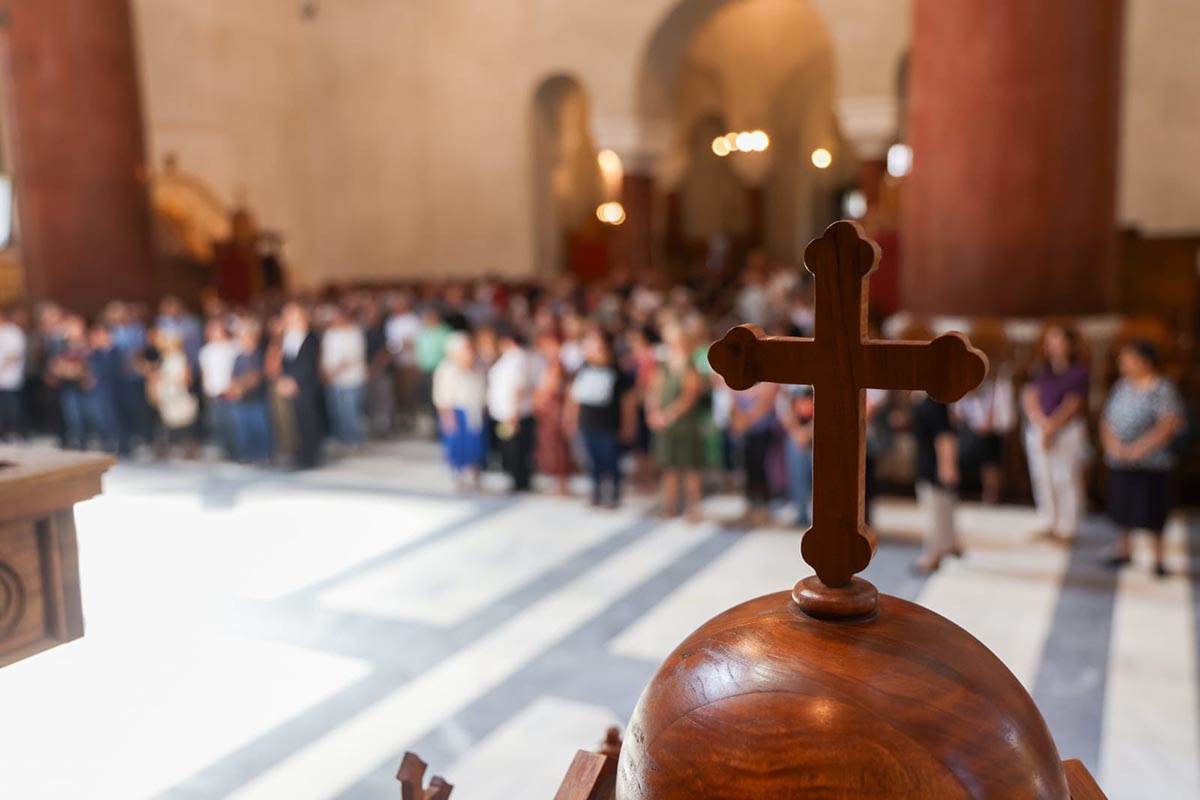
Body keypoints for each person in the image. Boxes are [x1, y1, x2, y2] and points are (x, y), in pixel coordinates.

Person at [1100, 340, 1185, 577]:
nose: (1122, 364)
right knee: (1122, 505)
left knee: (1153, 510)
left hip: (1152, 462)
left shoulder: (1162, 387)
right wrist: (1114, 445)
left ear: (1144, 361)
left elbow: (1168, 424)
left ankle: (1158, 559)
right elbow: (1107, 419)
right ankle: (1123, 550)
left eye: (1127, 359)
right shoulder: (1122, 385)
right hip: (1120, 458)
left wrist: (1139, 449)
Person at [1022, 324, 1090, 543]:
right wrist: (1040, 421)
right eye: (1050, 341)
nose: (1054, 345)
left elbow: (1073, 404)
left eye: (1059, 340)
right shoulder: (1041, 369)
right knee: (1042, 476)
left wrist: (1052, 426)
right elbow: (1030, 395)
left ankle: (1067, 527)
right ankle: (1047, 521)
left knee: (1065, 477)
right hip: (1039, 428)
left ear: (1070, 345)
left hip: (1066, 430)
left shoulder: (1078, 372)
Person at [567, 329, 636, 508]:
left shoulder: (618, 372)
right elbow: (574, 398)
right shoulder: (584, 369)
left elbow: (627, 403)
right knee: (592, 462)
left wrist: (628, 425)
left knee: (611, 461)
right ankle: (596, 493)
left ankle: (613, 495)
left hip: (609, 425)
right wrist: (571, 419)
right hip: (587, 423)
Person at [646, 324, 705, 521]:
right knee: (668, 467)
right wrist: (654, 412)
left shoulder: (689, 365)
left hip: (683, 424)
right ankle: (669, 506)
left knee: (689, 467)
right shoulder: (664, 364)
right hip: (665, 423)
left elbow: (689, 396)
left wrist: (669, 414)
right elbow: (654, 389)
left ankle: (693, 508)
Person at [910, 391, 963, 574]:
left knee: (935, 508)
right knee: (941, 505)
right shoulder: (921, 398)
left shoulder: (934, 401)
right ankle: (949, 544)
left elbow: (945, 435)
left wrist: (947, 466)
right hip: (925, 457)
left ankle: (933, 554)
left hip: (934, 462)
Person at [957, 352, 1016, 503]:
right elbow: (958, 413)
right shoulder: (964, 387)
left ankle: (991, 493)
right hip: (968, 432)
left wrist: (989, 424)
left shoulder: (998, 387)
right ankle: (959, 487)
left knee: (988, 448)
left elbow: (1005, 420)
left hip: (990, 435)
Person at [432, 332, 487, 490]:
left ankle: (474, 472)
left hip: (474, 410)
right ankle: (458, 474)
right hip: (456, 411)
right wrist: (447, 416)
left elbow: (481, 389)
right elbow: (442, 395)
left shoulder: (477, 367)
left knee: (475, 444)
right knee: (458, 445)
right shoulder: (447, 369)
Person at [487, 327, 537, 493]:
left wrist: (514, 413)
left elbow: (518, 388)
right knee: (511, 449)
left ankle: (520, 482)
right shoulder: (511, 359)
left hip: (514, 414)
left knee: (516, 451)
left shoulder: (518, 359)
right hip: (507, 413)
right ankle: (517, 480)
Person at [278, 302, 323, 469]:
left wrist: (294, 381)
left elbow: (307, 364)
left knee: (309, 420)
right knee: (296, 421)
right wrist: (284, 379)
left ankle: (311, 457)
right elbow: (286, 362)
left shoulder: (312, 337)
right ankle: (300, 454)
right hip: (291, 384)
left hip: (306, 385)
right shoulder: (287, 337)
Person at [730, 380, 779, 526]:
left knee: (762, 467)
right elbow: (733, 402)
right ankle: (751, 505)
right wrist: (740, 421)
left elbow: (767, 400)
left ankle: (764, 507)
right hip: (747, 433)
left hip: (762, 431)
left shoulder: (766, 382)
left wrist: (747, 420)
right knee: (748, 468)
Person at [320, 306, 368, 449]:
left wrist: (333, 373)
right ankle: (341, 438)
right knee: (336, 411)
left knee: (350, 412)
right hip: (332, 380)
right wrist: (325, 373)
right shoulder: (329, 334)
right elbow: (324, 354)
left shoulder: (355, 333)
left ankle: (354, 440)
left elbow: (351, 358)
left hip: (351, 380)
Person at [533, 331, 574, 496]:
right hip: (548, 413)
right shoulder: (548, 365)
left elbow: (550, 388)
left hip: (555, 412)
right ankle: (557, 482)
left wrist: (540, 397)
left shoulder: (558, 366)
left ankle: (562, 484)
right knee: (551, 447)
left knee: (559, 448)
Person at [148, 330, 199, 458]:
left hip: (178, 392)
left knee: (183, 421)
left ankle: (189, 449)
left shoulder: (181, 358)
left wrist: (173, 379)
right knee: (167, 421)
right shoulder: (164, 358)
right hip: (166, 392)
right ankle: (164, 448)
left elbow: (186, 377)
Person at [229, 322, 273, 464]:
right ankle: (247, 455)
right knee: (243, 430)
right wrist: (235, 388)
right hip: (241, 400)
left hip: (257, 399)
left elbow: (257, 375)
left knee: (259, 428)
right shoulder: (239, 357)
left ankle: (262, 455)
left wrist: (242, 387)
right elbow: (234, 376)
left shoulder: (259, 355)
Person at [199, 318, 238, 458]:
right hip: (213, 391)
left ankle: (236, 450)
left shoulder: (233, 347)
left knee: (233, 422)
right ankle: (225, 450)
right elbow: (205, 371)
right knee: (219, 422)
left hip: (230, 389)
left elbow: (237, 369)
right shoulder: (206, 351)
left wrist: (233, 386)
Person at [778, 384, 814, 528]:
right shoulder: (788, 386)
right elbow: (782, 402)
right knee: (796, 473)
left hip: (820, 430)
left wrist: (809, 431)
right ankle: (800, 512)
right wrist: (795, 430)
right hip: (796, 432)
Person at [0, 308, 27, 441]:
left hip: (10, 378)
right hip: (2, 380)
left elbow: (14, 354)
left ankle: (15, 432)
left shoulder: (12, 332)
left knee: (11, 407)